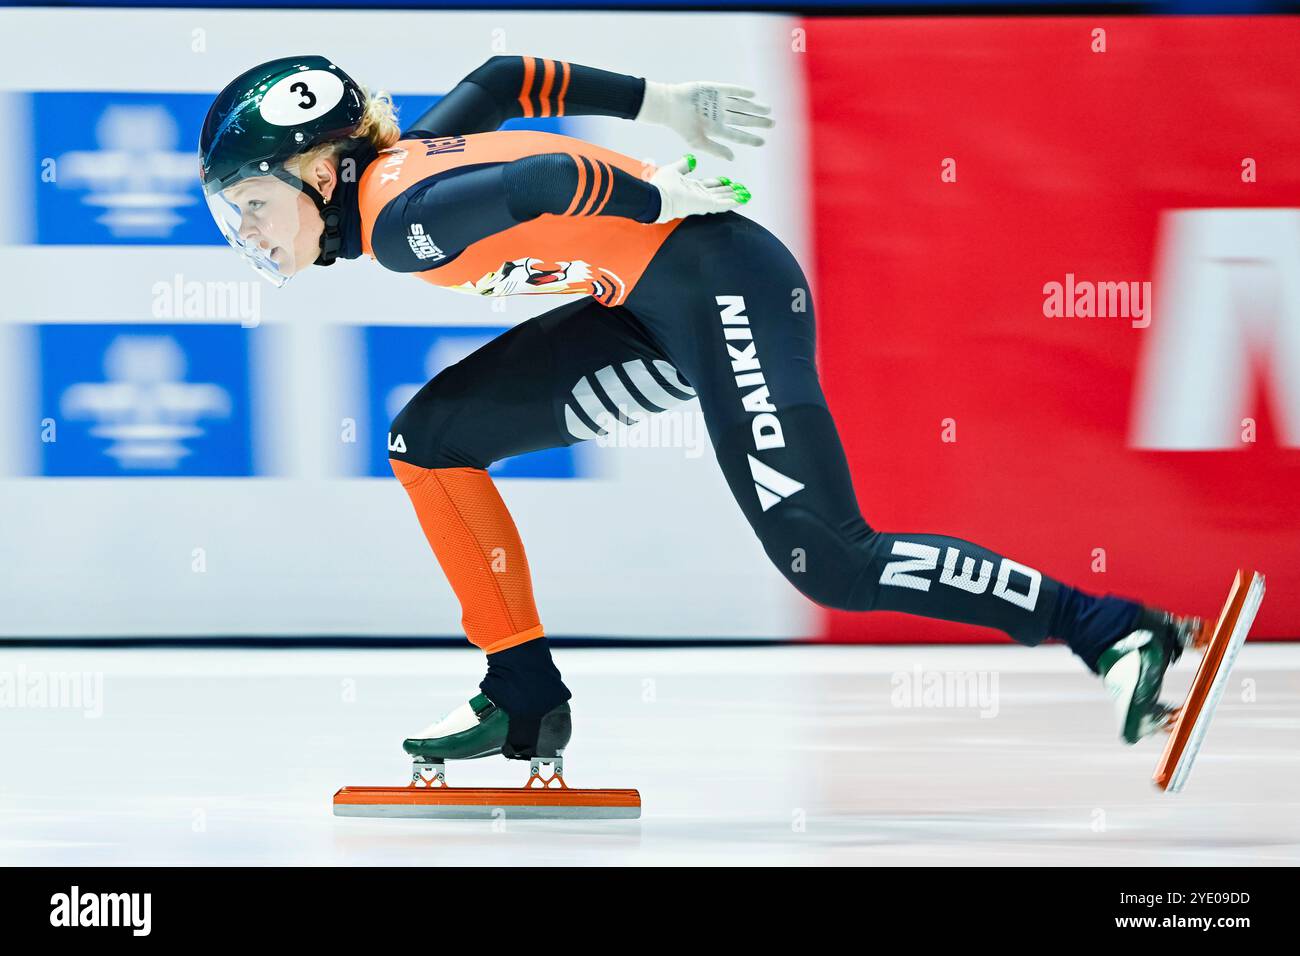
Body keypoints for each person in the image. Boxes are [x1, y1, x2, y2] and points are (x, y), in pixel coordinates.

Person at [199, 54, 1203, 769]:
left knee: (828, 557)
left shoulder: (403, 224)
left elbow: (543, 175)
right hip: (645, 305)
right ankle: (522, 696)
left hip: (725, 283)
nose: (244, 224)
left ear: (322, 169)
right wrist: (661, 104)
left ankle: (1110, 628)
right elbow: (504, 76)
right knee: (430, 441)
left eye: (249, 197)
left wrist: (651, 194)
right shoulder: (402, 166)